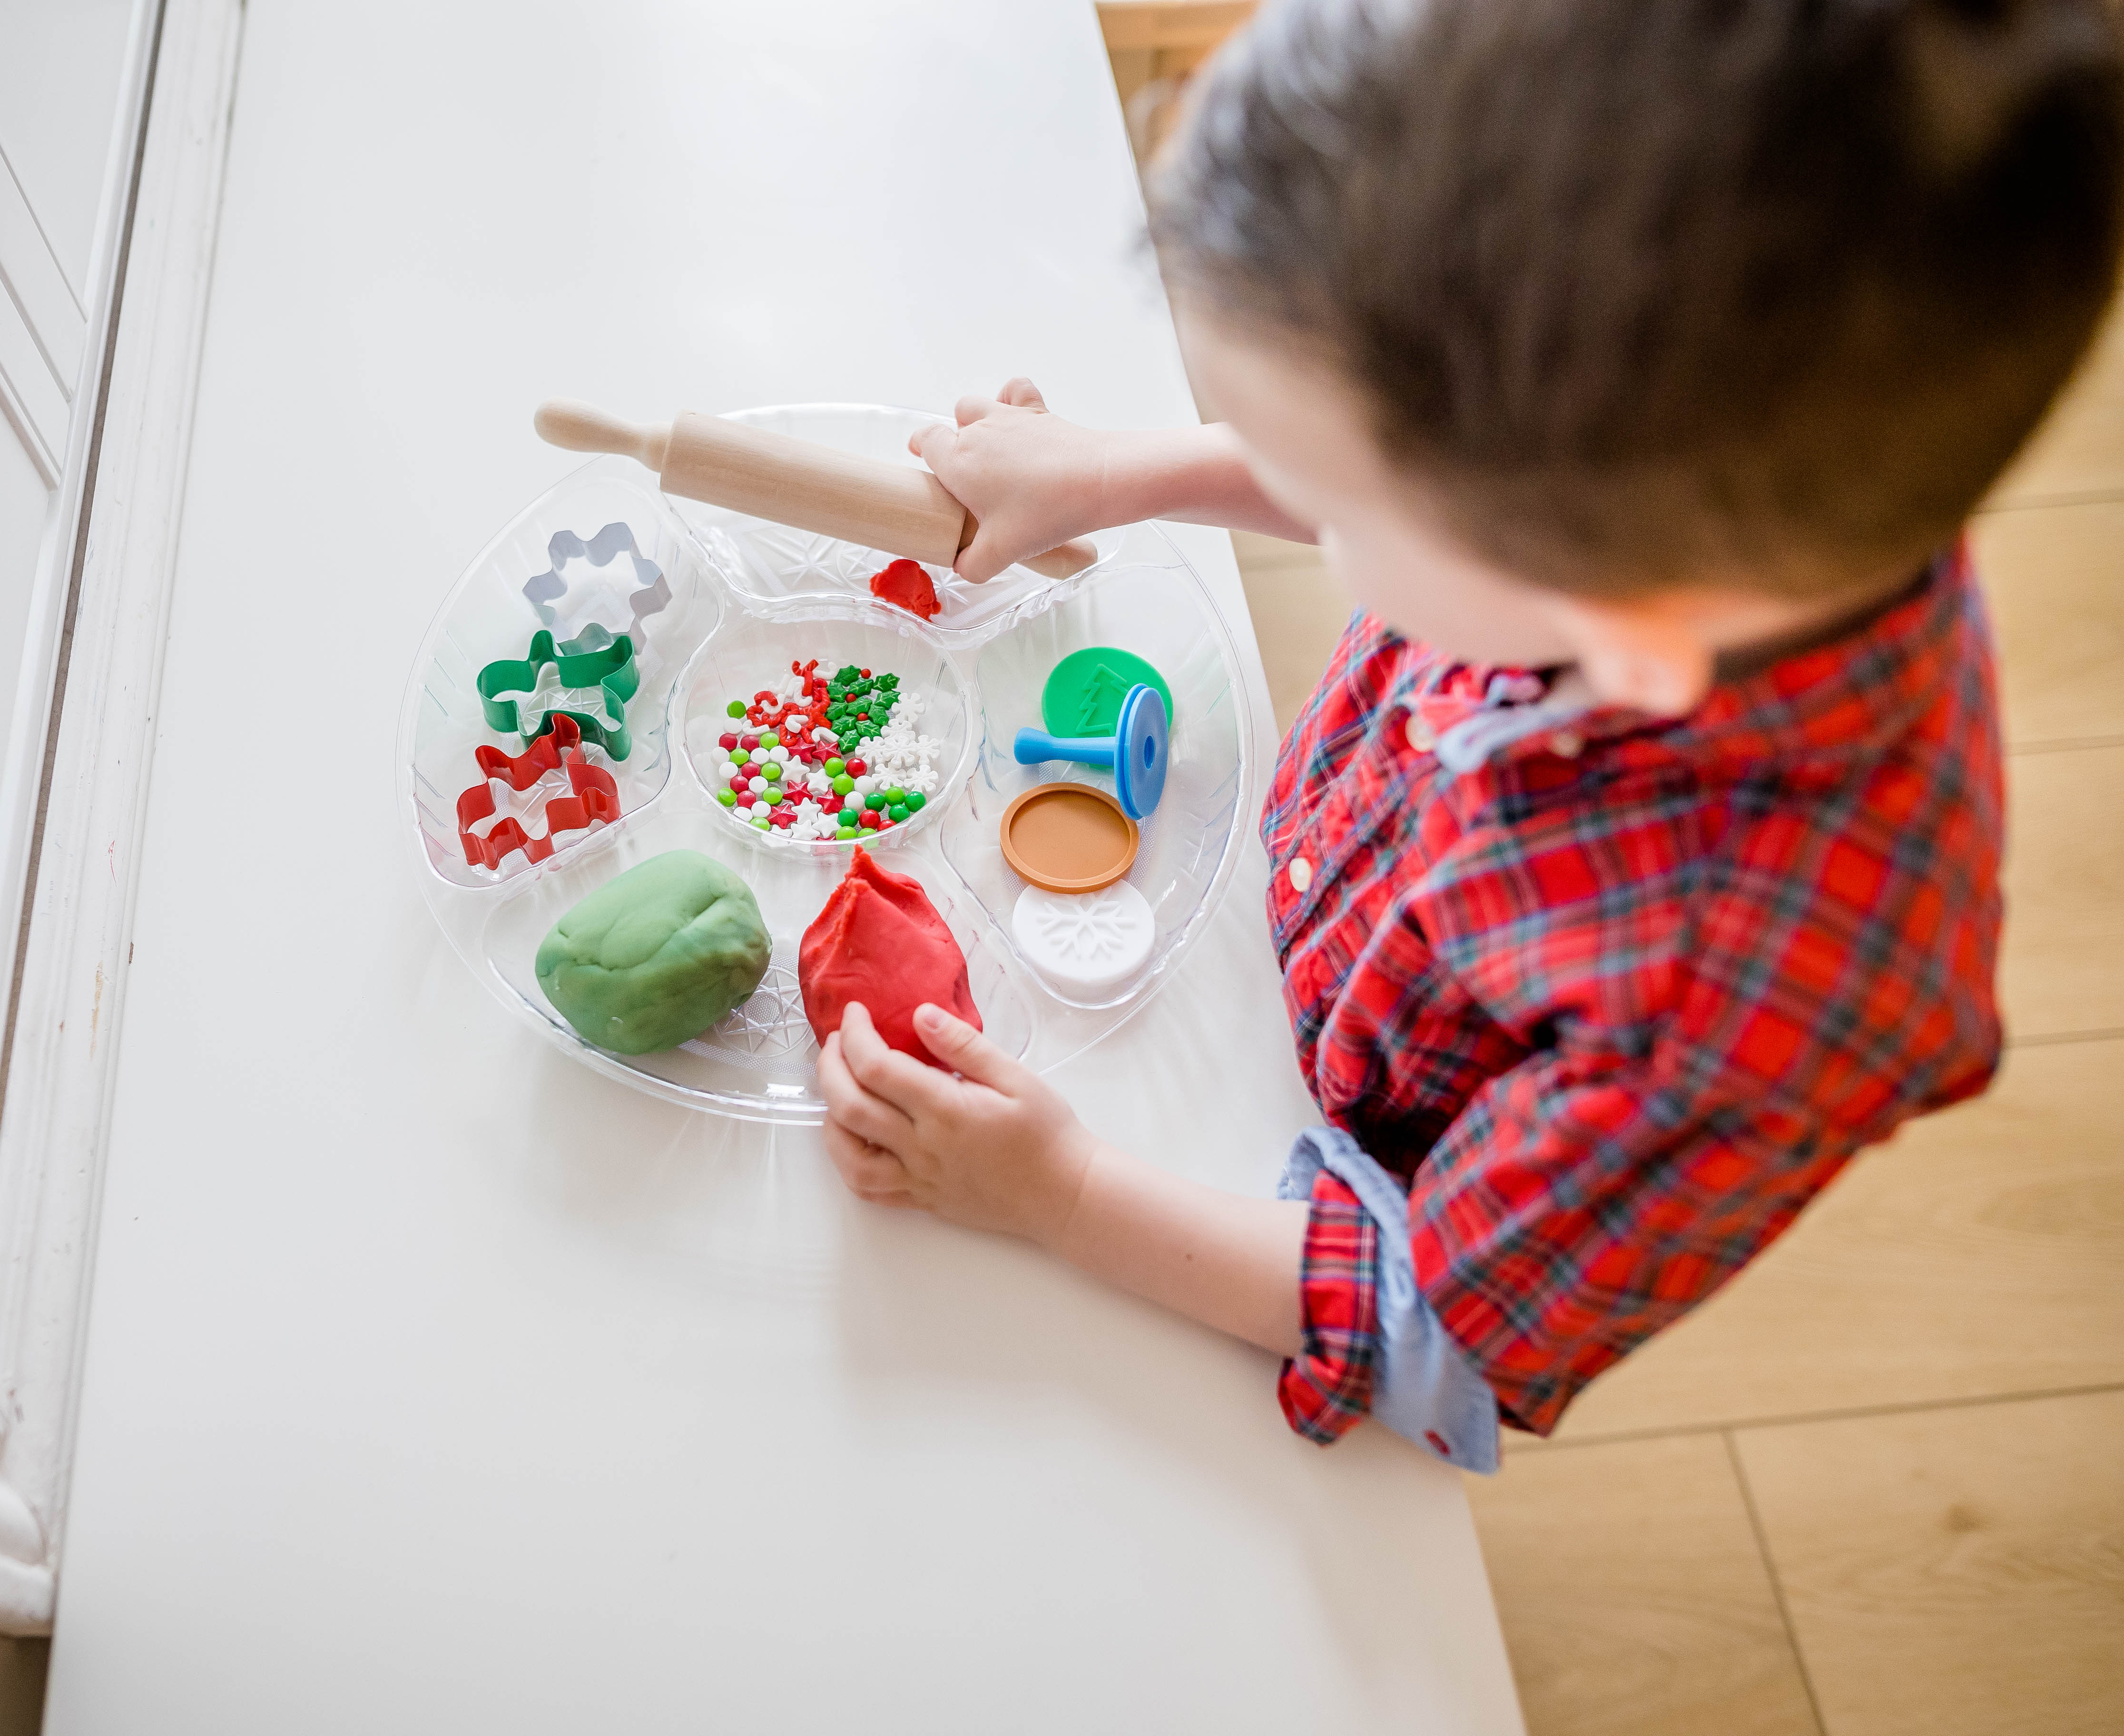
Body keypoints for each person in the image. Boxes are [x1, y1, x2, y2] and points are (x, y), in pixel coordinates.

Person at [813, 0, 2124, 1470]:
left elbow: (1440, 1336)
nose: (1317, 517)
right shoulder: (1648, 505)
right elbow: (1408, 453)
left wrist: (1059, 1193)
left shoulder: (1750, 1009)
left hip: (1322, 1178)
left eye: (1338, 507)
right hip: (1327, 921)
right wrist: (1109, 475)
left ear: (1614, 623)